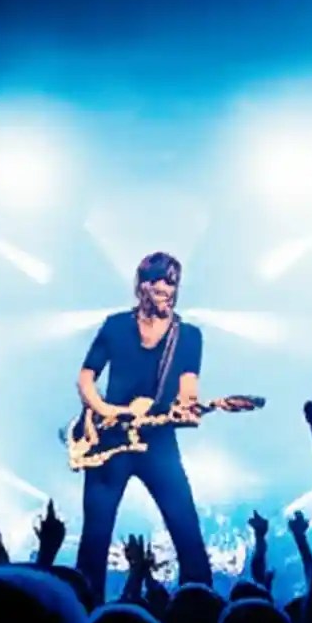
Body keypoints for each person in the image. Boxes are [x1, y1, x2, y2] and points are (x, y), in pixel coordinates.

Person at [75, 251, 213, 600]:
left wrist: (188, 408)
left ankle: (200, 617)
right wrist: (107, 410)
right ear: (142, 285)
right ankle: (85, 615)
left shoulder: (189, 336)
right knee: (95, 537)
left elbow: (188, 389)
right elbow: (86, 378)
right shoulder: (115, 325)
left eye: (173, 282)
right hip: (109, 443)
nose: (168, 289)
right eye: (160, 281)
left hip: (158, 442)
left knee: (187, 531)